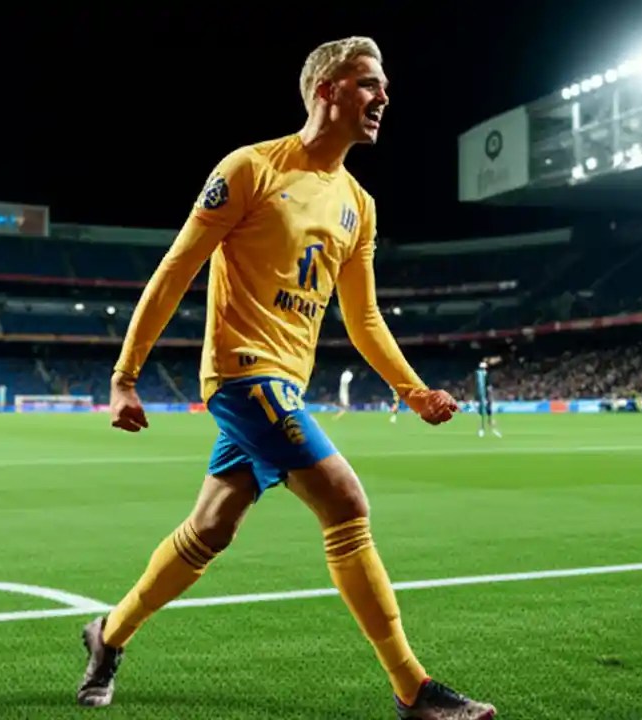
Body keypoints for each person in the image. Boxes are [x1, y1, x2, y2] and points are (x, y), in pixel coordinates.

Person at [78, 36, 496, 720]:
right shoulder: (250, 168)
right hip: (243, 375)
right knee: (346, 504)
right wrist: (125, 375)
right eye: (368, 83)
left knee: (211, 529)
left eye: (383, 86)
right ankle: (412, 689)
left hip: (285, 387)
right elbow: (176, 270)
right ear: (327, 89)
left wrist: (411, 388)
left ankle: (109, 633)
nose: (384, 97)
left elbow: (362, 318)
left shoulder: (359, 204)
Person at [475, 361, 501, 438]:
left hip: (483, 397)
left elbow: (487, 387)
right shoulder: (482, 375)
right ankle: (485, 429)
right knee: (486, 414)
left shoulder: (480, 375)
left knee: (486, 414)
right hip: (484, 397)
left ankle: (485, 429)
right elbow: (489, 388)